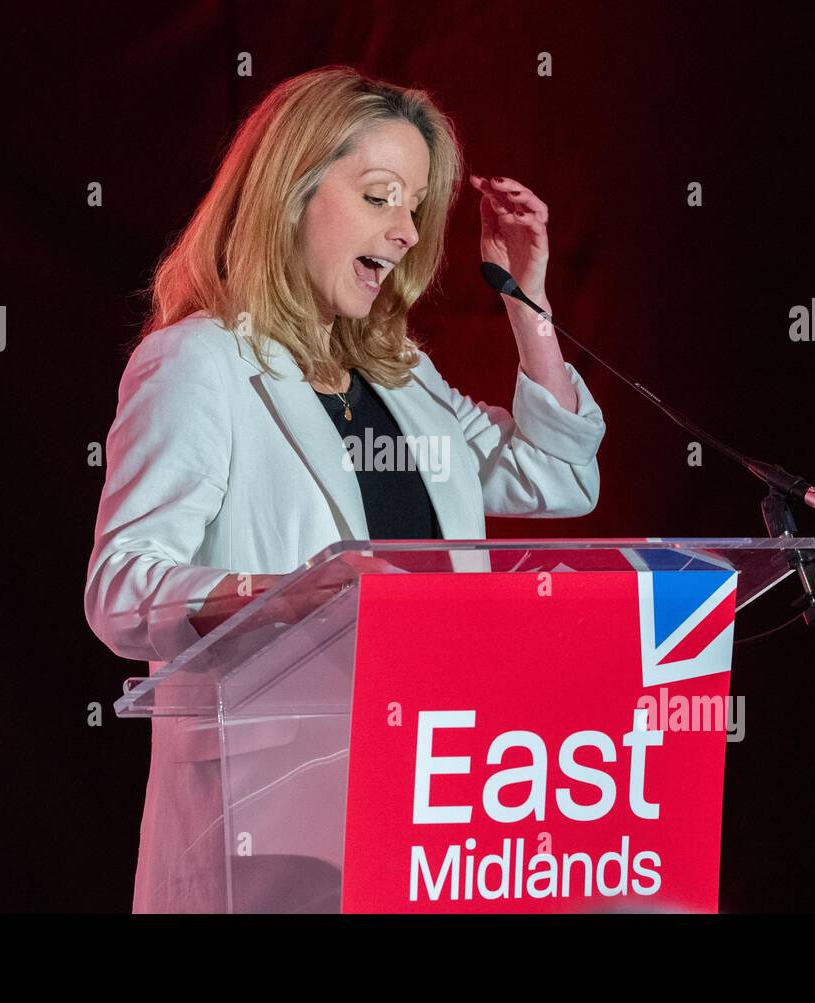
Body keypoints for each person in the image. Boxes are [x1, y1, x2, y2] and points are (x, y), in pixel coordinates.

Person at [83, 65, 606, 912]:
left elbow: (559, 475)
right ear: (291, 193)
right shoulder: (200, 363)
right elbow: (120, 588)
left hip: (440, 808)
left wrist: (527, 299)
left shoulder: (402, 378)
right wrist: (291, 594)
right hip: (276, 828)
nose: (405, 231)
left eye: (415, 206)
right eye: (380, 197)